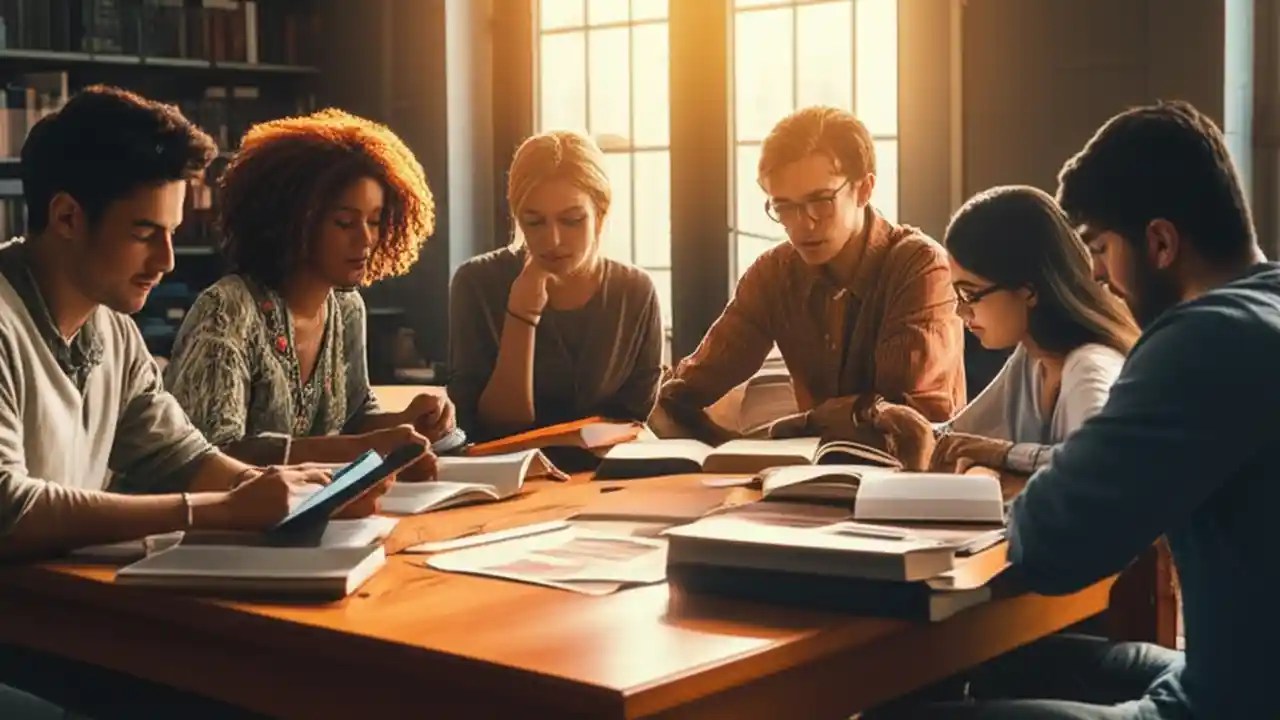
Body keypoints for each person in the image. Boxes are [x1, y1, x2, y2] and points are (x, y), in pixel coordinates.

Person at [876, 101, 1277, 719]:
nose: (1098, 275)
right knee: (991, 663)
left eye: (1100, 248)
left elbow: (1052, 543)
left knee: (891, 713)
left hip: (1224, 703)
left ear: (1161, 242)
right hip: (1233, 670)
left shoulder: (1201, 339)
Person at [0, 86, 387, 716]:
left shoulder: (113, 328)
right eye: (145, 232)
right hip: (23, 641)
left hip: (67, 623)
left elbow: (180, 453)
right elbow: (9, 511)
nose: (166, 260)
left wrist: (284, 492)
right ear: (67, 217)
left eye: (174, 232)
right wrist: (217, 509)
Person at [656, 106, 965, 445]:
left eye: (820, 201)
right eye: (784, 206)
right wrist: (722, 445)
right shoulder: (774, 274)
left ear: (864, 189)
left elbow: (900, 418)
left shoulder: (922, 266)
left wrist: (796, 427)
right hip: (814, 474)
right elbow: (687, 390)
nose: (802, 223)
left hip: (916, 480)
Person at [165, 109, 447, 480]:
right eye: (345, 222)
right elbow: (211, 455)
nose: (366, 239)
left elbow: (354, 416)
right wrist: (366, 447)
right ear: (292, 220)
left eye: (375, 221)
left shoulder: (346, 307)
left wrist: (408, 422)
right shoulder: (228, 310)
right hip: (199, 529)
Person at [447, 130, 663, 441]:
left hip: (606, 474)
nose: (553, 240)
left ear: (600, 215)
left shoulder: (635, 291)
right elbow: (490, 426)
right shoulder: (476, 284)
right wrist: (522, 315)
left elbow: (633, 419)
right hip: (504, 475)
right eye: (534, 222)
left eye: (572, 220)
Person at [928, 185, 1139, 475]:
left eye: (970, 294)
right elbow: (959, 436)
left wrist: (1004, 454)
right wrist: (906, 428)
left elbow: (1103, 462)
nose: (960, 311)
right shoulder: (1031, 358)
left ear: (1028, 290)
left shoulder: (1089, 366)